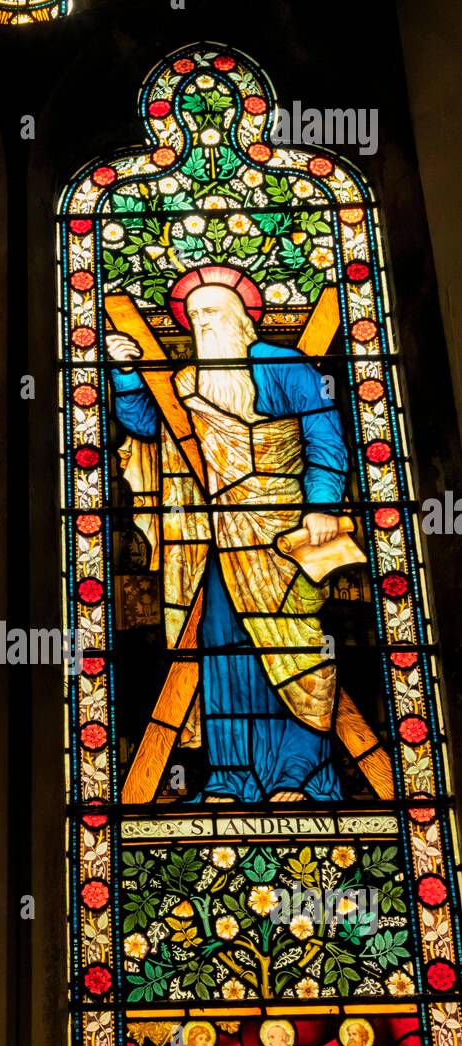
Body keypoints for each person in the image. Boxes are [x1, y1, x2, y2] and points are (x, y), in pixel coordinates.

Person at [109, 265, 349, 803]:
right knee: (221, 649)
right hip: (219, 539)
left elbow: (324, 436)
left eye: (213, 312)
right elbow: (151, 426)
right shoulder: (187, 382)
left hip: (284, 531)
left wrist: (322, 505)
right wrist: (126, 373)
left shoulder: (286, 367)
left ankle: (300, 773)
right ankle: (231, 776)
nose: (203, 322)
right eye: (195, 315)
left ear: (243, 320)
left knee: (295, 643)